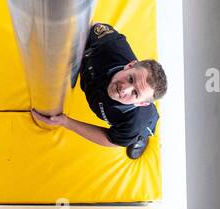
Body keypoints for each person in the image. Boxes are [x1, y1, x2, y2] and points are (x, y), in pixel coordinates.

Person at [31, 22, 166, 159]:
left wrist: (66, 122)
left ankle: (140, 138)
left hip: (141, 124)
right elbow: (85, 24)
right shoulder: (111, 46)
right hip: (92, 73)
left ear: (140, 103)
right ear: (129, 65)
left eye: (135, 93)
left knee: (132, 136)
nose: (124, 89)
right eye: (131, 79)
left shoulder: (133, 122)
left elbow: (111, 139)